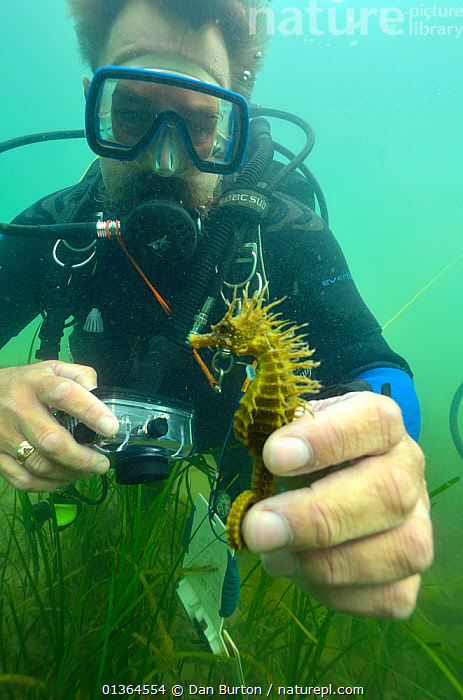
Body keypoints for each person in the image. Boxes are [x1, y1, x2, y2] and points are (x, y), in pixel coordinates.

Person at [0, 0, 433, 619]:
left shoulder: (287, 233)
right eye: (132, 114)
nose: (165, 158)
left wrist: (385, 444)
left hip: (228, 450)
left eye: (199, 123)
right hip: (103, 443)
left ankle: (210, 525)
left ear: (236, 120)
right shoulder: (56, 230)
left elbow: (373, 365)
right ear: (92, 103)